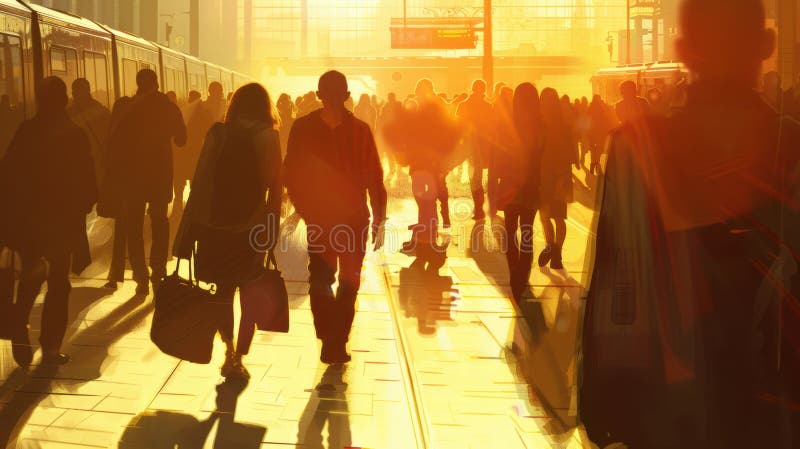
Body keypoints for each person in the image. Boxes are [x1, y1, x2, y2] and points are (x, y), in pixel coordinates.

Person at [581, 1, 800, 447]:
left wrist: (604, 397)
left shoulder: (635, 151)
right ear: (767, 46)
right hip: (771, 407)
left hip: (663, 405)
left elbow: (617, 285)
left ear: (682, 49)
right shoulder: (791, 149)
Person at [174, 83, 282, 379]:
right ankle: (240, 354)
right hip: (251, 227)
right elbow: (275, 188)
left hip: (214, 227)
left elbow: (201, 181)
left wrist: (189, 227)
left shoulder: (217, 133)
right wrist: (272, 227)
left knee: (223, 291)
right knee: (249, 291)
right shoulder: (268, 137)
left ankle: (229, 350)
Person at [283, 71, 387, 364]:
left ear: (318, 95)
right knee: (346, 279)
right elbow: (374, 177)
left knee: (322, 277)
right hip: (346, 217)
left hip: (329, 218)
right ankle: (336, 338)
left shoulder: (303, 128)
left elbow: (290, 172)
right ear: (346, 96)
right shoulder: (361, 130)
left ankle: (331, 336)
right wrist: (379, 216)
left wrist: (303, 208)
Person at [0, 77, 97, 366]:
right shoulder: (75, 134)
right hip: (62, 222)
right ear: (65, 99)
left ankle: (19, 322)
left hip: (29, 222)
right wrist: (81, 207)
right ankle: (51, 347)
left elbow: (7, 174)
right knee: (58, 283)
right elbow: (88, 181)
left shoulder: (26, 131)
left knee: (30, 275)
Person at [104, 69, 186, 295]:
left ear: (138, 84)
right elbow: (182, 139)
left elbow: (113, 141)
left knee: (134, 226)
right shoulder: (168, 108)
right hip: (159, 175)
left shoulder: (125, 107)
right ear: (157, 84)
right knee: (160, 222)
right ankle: (158, 270)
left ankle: (141, 276)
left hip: (132, 177)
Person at [498, 83, 543, 301]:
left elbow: (499, 154)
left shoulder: (508, 122)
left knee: (509, 231)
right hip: (531, 187)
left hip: (509, 185)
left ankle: (515, 270)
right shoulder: (541, 125)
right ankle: (522, 275)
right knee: (526, 231)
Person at [537, 88, 576, 270]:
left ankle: (550, 245)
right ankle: (557, 252)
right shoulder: (563, 123)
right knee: (559, 216)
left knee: (544, 215)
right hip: (561, 173)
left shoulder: (538, 123)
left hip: (544, 174)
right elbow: (570, 149)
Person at [457, 79, 494, 220]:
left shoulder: (464, 105)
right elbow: (492, 127)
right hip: (483, 145)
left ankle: (478, 208)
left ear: (472, 89)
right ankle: (480, 207)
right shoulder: (487, 107)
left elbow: (458, 125)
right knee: (479, 177)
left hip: (470, 145)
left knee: (475, 178)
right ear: (483, 90)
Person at [67, 78, 111, 187]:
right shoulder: (101, 110)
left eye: (76, 91)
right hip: (95, 159)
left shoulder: (69, 114)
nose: (73, 94)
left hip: (85, 161)